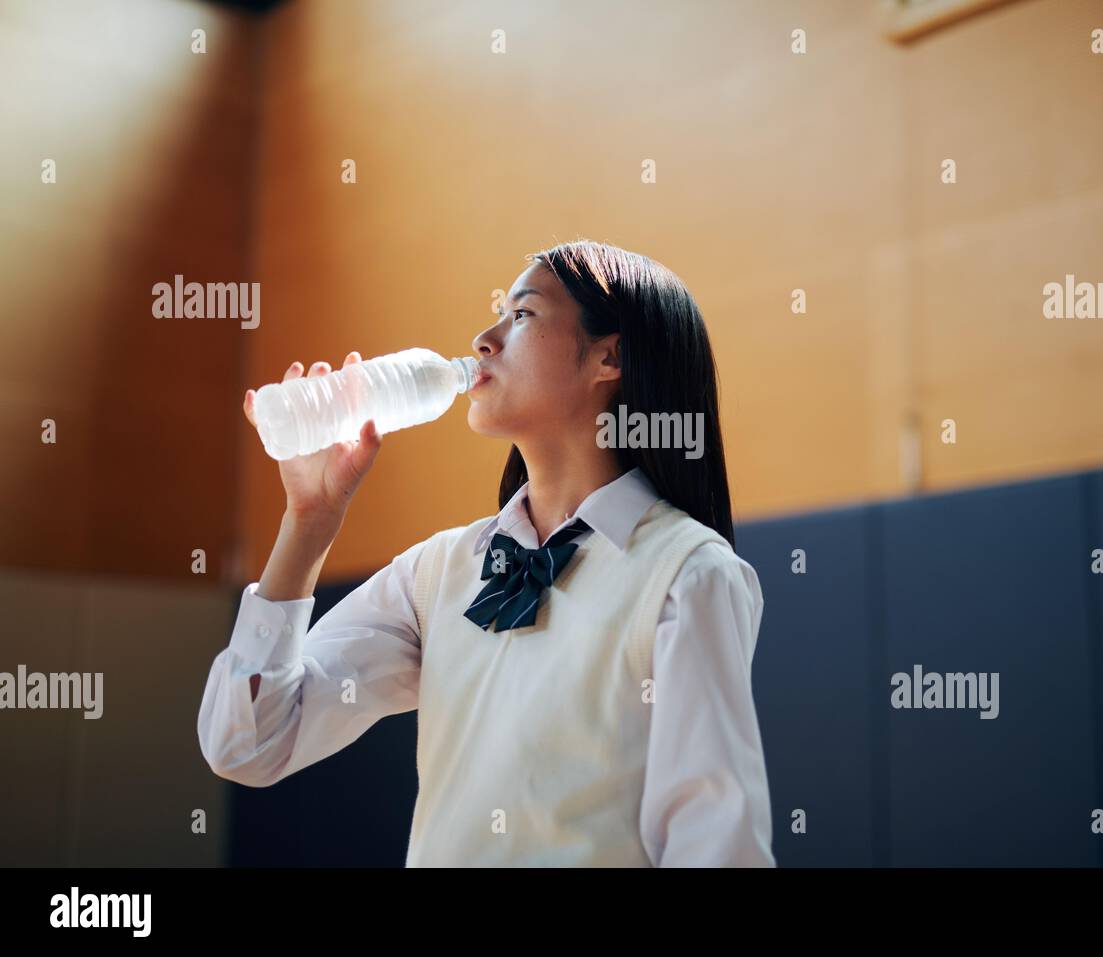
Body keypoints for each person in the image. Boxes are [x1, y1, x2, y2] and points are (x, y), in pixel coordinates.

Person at [198, 239, 774, 866]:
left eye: (522, 315)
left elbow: (717, 844)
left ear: (609, 356)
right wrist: (308, 523)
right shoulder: (438, 572)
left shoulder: (688, 574)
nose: (483, 340)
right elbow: (250, 745)